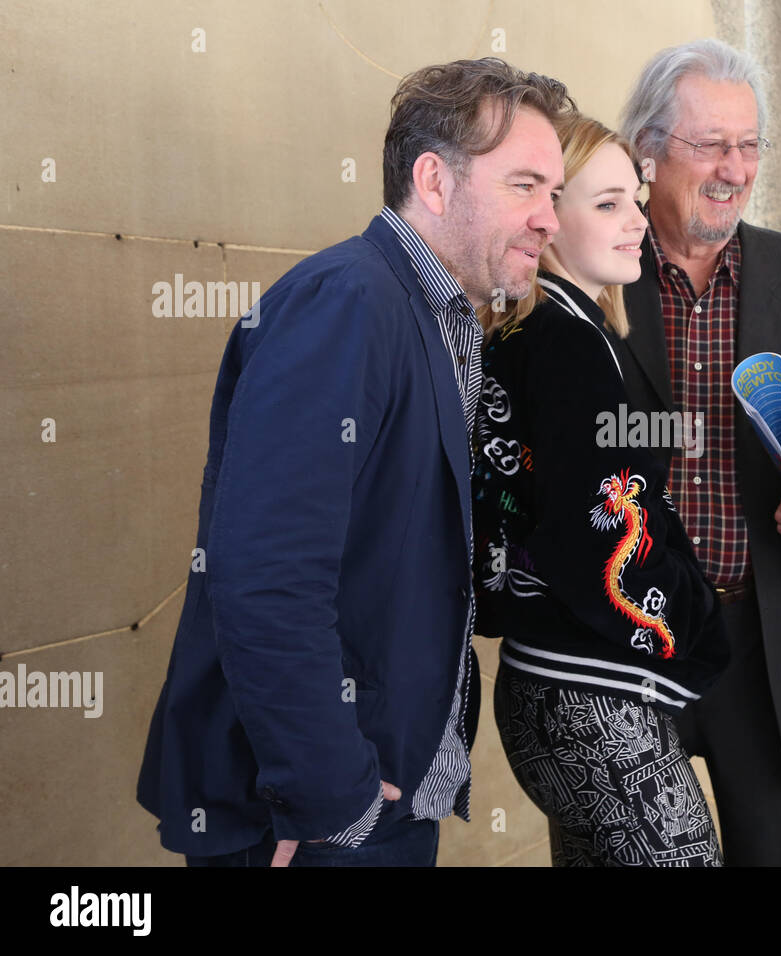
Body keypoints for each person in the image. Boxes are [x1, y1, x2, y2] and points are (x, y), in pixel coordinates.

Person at [136, 58, 572, 866]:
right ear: (434, 181)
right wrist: (326, 788)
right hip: (320, 815)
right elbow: (267, 573)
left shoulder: (439, 316)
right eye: (525, 187)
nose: (551, 217)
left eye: (554, 191)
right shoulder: (349, 302)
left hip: (381, 795)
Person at [614, 39, 781, 866]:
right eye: (709, 145)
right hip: (628, 644)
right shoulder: (591, 277)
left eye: (750, 144)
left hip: (766, 645)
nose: (735, 167)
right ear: (648, 151)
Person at [473, 113, 730, 867]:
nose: (639, 225)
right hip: (585, 690)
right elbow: (589, 537)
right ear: (550, 221)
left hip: (553, 683)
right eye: (608, 204)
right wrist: (694, 607)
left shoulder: (561, 328)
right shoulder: (562, 342)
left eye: (637, 202)